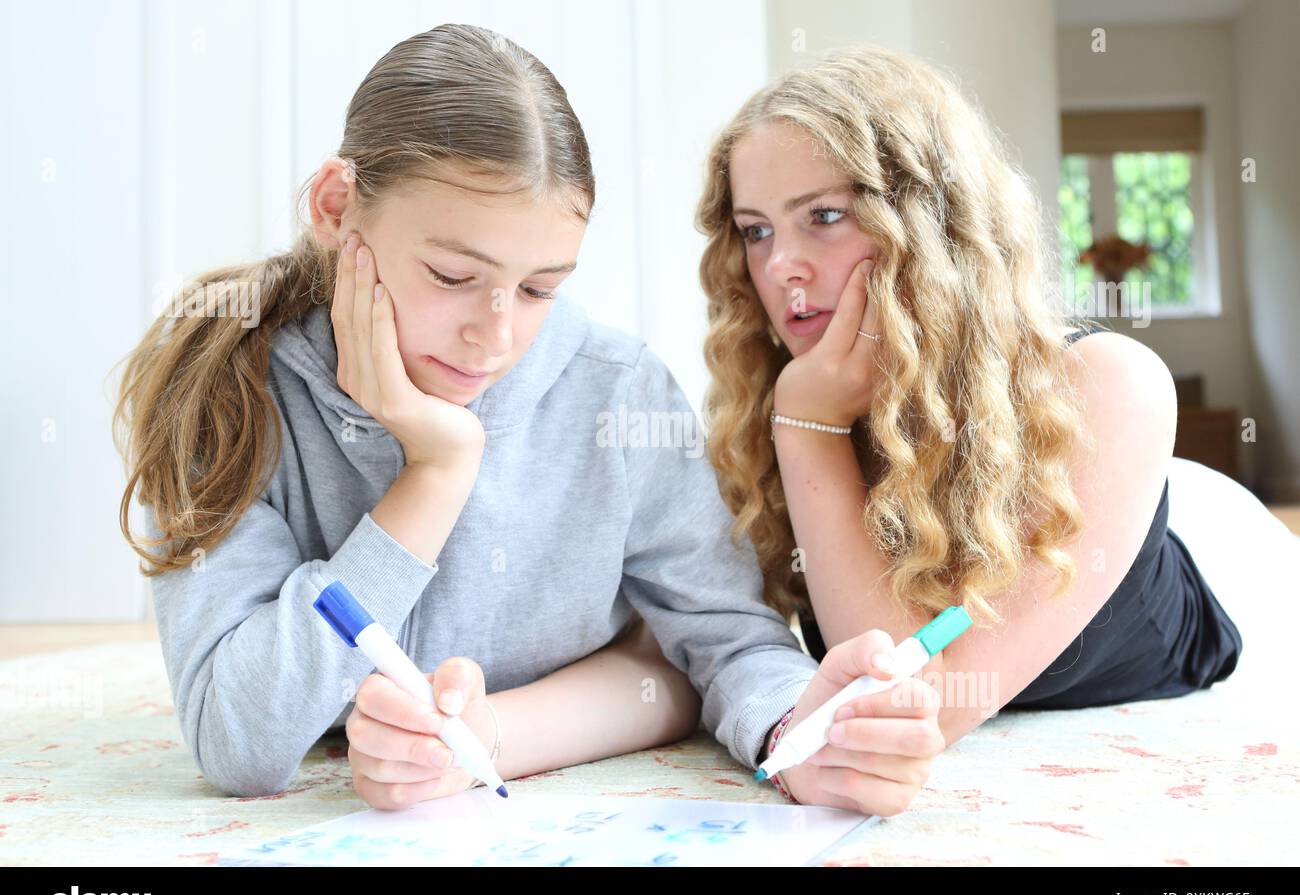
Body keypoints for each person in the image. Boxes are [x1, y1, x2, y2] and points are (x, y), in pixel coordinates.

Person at [113, 25, 941, 817]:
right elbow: (237, 740)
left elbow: (727, 638)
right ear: (336, 208)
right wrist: (432, 476)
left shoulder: (617, 391)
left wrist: (800, 733)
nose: (496, 334)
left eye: (541, 287)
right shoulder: (224, 393)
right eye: (451, 275)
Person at [695, 45, 1243, 754]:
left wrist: (806, 429)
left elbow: (912, 705)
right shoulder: (772, 394)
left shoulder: (1110, 383)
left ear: (930, 223)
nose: (780, 265)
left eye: (824, 216)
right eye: (756, 230)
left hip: (1174, 615)